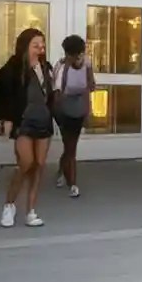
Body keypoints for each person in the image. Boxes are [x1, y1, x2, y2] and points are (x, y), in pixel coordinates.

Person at [0, 28, 55, 228]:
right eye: (36, 45)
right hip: (24, 122)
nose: (40, 49)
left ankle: (31, 211)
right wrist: (6, 118)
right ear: (25, 46)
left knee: (39, 166)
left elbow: (50, 94)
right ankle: (9, 206)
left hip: (43, 121)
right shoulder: (14, 66)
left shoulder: (45, 66)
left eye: (42, 45)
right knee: (26, 163)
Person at [52, 35, 95, 199]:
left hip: (78, 107)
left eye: (80, 53)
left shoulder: (87, 64)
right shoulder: (61, 66)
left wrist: (87, 112)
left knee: (71, 147)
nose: (77, 57)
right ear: (67, 54)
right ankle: (73, 183)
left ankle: (62, 171)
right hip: (63, 109)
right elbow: (57, 93)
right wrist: (58, 113)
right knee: (69, 146)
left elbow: (90, 87)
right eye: (74, 54)